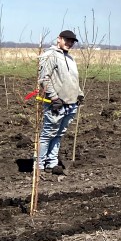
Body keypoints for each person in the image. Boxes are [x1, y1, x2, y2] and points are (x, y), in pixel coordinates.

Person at [37, 29, 84, 174]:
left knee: (59, 134)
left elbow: (72, 80)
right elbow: (44, 79)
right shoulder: (50, 55)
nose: (69, 43)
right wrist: (54, 97)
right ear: (59, 39)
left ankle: (51, 163)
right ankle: (38, 166)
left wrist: (79, 94)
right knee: (47, 134)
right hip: (57, 104)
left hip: (71, 104)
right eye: (67, 40)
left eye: (72, 42)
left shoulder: (70, 58)